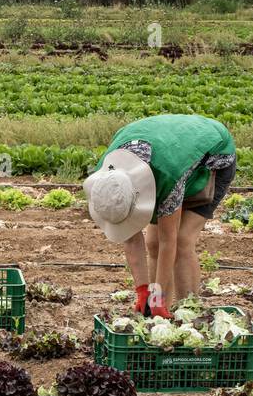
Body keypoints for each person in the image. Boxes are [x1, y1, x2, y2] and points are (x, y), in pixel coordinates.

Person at [84, 114, 236, 317]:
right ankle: (162, 312)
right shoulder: (107, 179)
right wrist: (142, 290)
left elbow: (169, 241)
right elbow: (130, 239)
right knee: (152, 242)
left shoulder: (167, 176)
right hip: (171, 150)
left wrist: (157, 296)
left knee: (182, 240)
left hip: (213, 155)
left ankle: (189, 315)